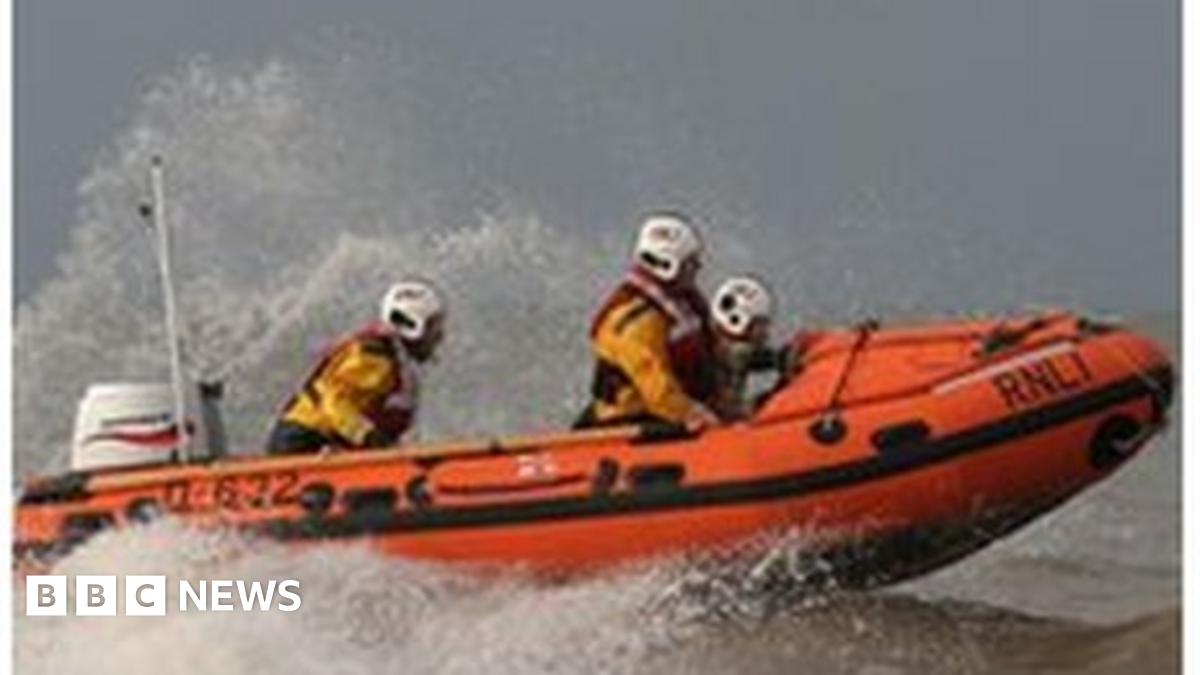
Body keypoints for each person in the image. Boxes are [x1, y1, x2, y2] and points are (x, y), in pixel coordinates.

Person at [575, 212, 721, 432]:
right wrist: (693, 414)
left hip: (669, 410)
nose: (698, 268)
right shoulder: (637, 322)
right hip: (632, 419)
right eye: (690, 263)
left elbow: (717, 349)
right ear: (666, 264)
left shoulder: (682, 304)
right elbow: (656, 388)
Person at [266, 279, 447, 455]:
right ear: (411, 324)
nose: (439, 336)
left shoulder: (393, 360)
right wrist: (371, 439)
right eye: (432, 327)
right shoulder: (375, 360)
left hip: (319, 441)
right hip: (304, 442)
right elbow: (335, 402)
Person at [707, 275, 781, 420]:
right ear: (739, 321)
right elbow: (727, 410)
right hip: (717, 426)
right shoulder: (735, 353)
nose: (766, 332)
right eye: (761, 324)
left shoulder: (716, 344)